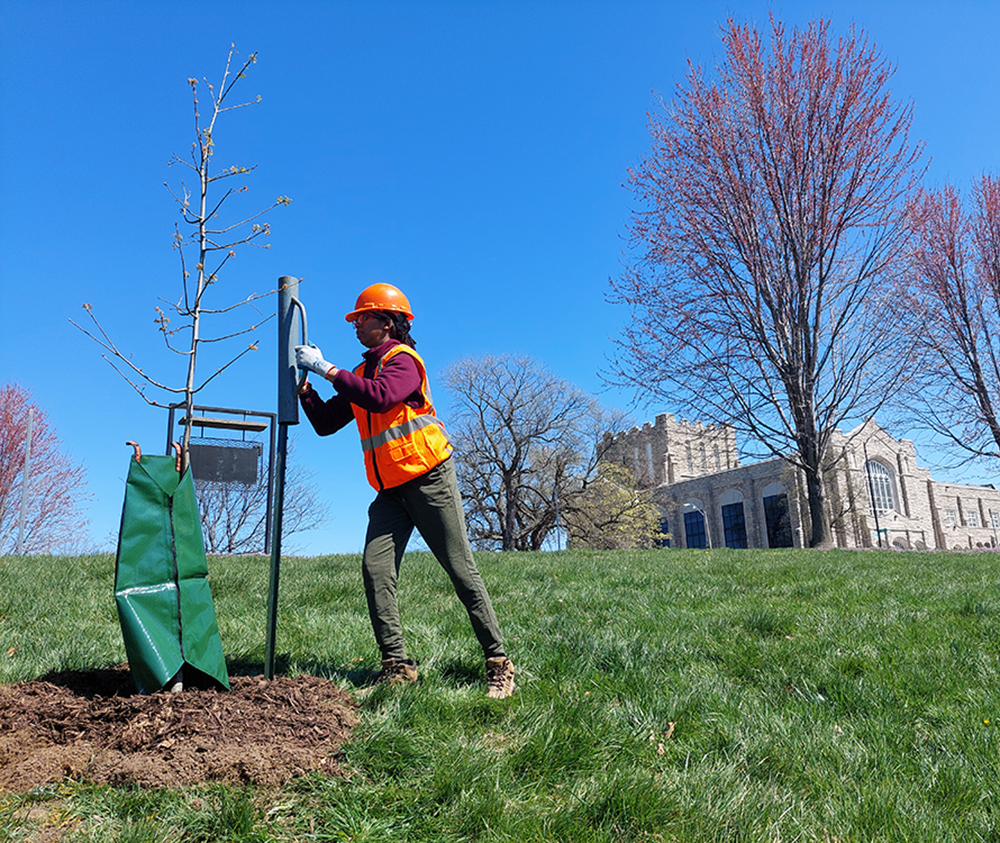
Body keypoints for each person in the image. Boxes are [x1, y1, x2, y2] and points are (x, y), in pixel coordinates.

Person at [294, 283, 515, 699]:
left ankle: (499, 662)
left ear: (388, 322)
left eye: (363, 317)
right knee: (376, 570)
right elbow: (326, 424)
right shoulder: (358, 375)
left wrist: (325, 368)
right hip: (390, 492)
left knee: (460, 570)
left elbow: (381, 399)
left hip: (429, 479)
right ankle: (397, 665)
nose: (356, 324)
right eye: (356, 319)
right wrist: (307, 391)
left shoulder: (405, 362)